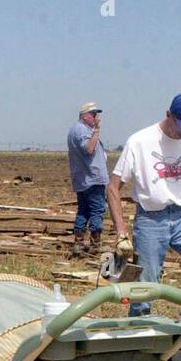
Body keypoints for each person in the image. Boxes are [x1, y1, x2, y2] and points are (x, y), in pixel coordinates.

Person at [106, 92, 181, 323]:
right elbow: (113, 188)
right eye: (179, 125)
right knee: (145, 288)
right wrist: (121, 233)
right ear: (168, 114)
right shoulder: (140, 141)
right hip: (150, 220)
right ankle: (139, 335)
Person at [67, 102, 109, 256]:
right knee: (97, 210)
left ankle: (78, 243)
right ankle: (96, 243)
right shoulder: (83, 130)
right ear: (85, 116)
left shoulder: (75, 130)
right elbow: (89, 149)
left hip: (82, 178)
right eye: (93, 114)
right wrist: (97, 130)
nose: (96, 118)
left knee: (83, 210)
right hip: (92, 178)